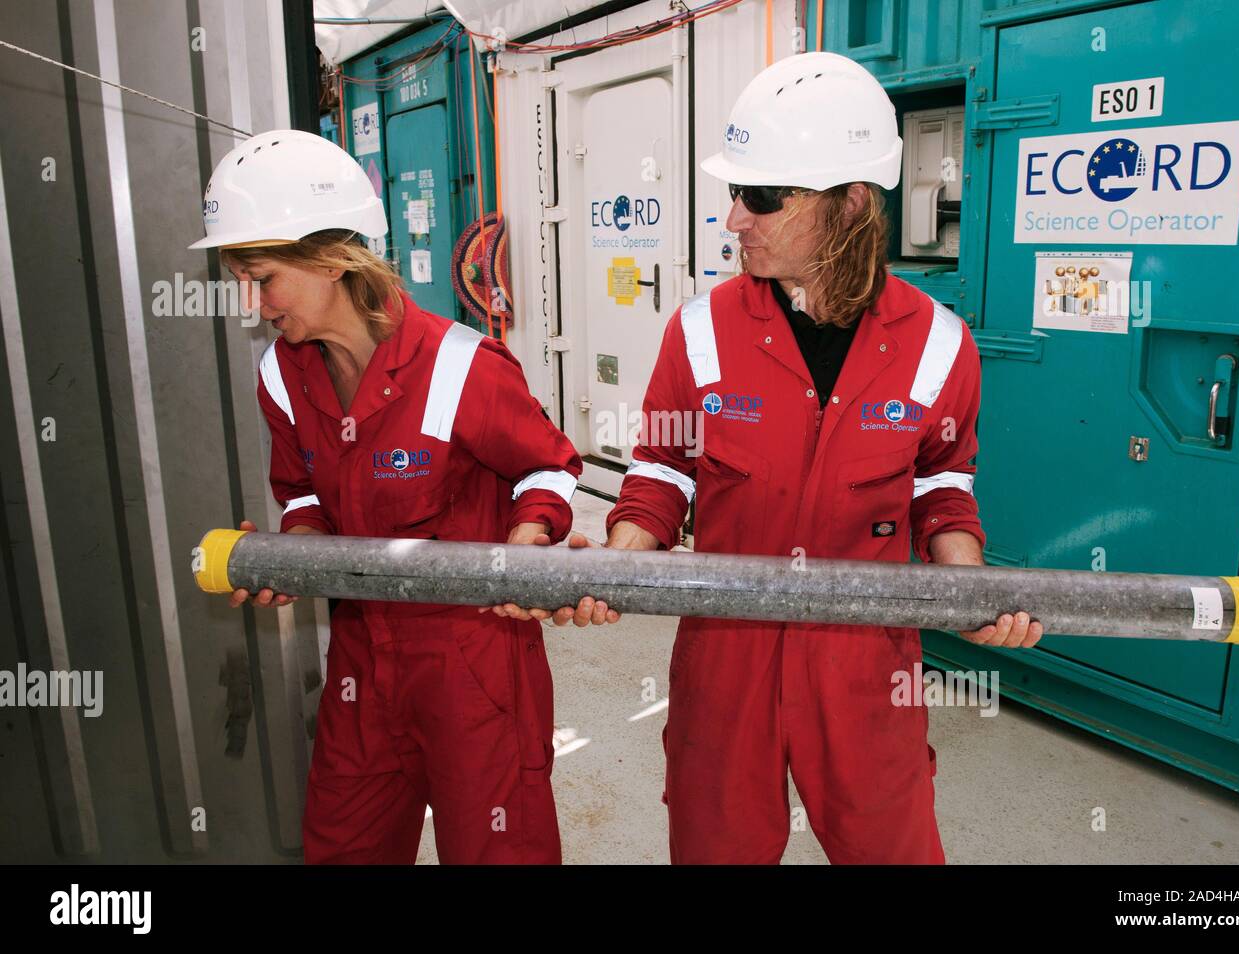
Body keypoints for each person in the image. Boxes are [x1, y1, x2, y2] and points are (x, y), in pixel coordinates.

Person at [525, 52, 1044, 863]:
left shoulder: (943, 347)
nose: (734, 219)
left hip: (867, 660)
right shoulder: (698, 332)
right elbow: (660, 476)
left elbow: (943, 488)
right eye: (734, 194)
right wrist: (616, 567)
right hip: (726, 658)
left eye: (762, 198)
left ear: (851, 203)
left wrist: (971, 586)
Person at [191, 129, 581, 864]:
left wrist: (532, 534)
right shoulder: (282, 374)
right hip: (363, 662)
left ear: (332, 258)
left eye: (263, 276)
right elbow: (301, 492)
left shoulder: (463, 366)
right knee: (343, 846)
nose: (251, 301)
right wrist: (295, 551)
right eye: (239, 277)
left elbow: (551, 470)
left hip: (475, 662)